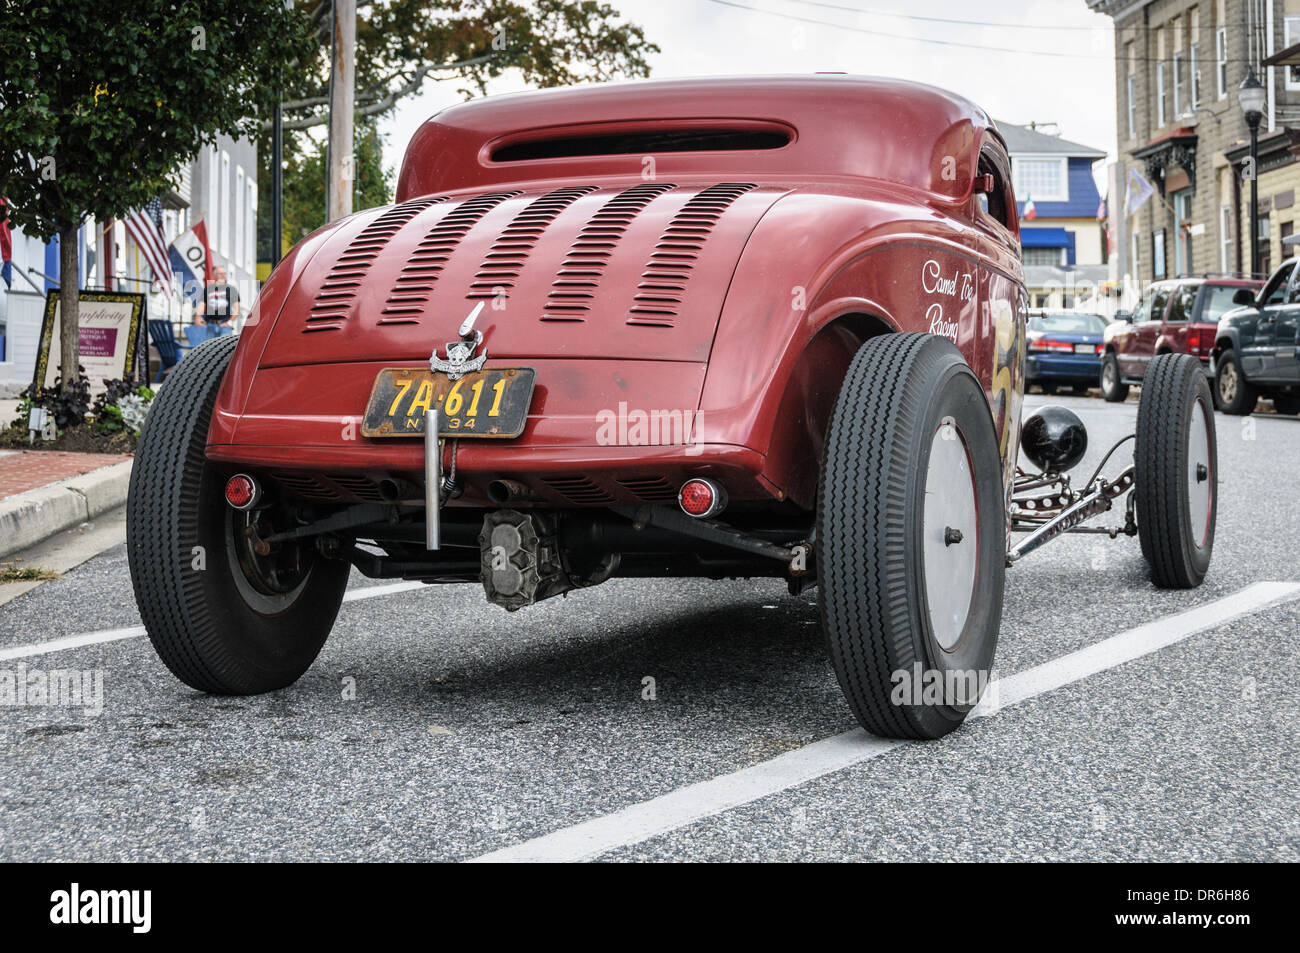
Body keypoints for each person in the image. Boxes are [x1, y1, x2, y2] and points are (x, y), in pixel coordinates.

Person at [195, 266, 240, 331]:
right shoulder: (208, 289)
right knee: (210, 341)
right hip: (210, 325)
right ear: (214, 276)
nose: (223, 275)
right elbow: (201, 305)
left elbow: (237, 309)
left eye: (224, 273)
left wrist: (229, 322)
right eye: (220, 273)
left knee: (225, 342)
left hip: (225, 326)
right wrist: (198, 317)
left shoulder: (232, 290)